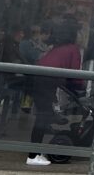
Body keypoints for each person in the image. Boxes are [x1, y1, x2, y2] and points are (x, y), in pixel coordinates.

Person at [27, 20, 83, 166]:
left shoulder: (59, 48)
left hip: (39, 79)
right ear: (74, 36)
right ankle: (33, 156)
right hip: (46, 82)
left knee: (43, 115)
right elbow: (75, 74)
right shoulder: (73, 49)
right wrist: (82, 88)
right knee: (42, 117)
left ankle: (35, 153)